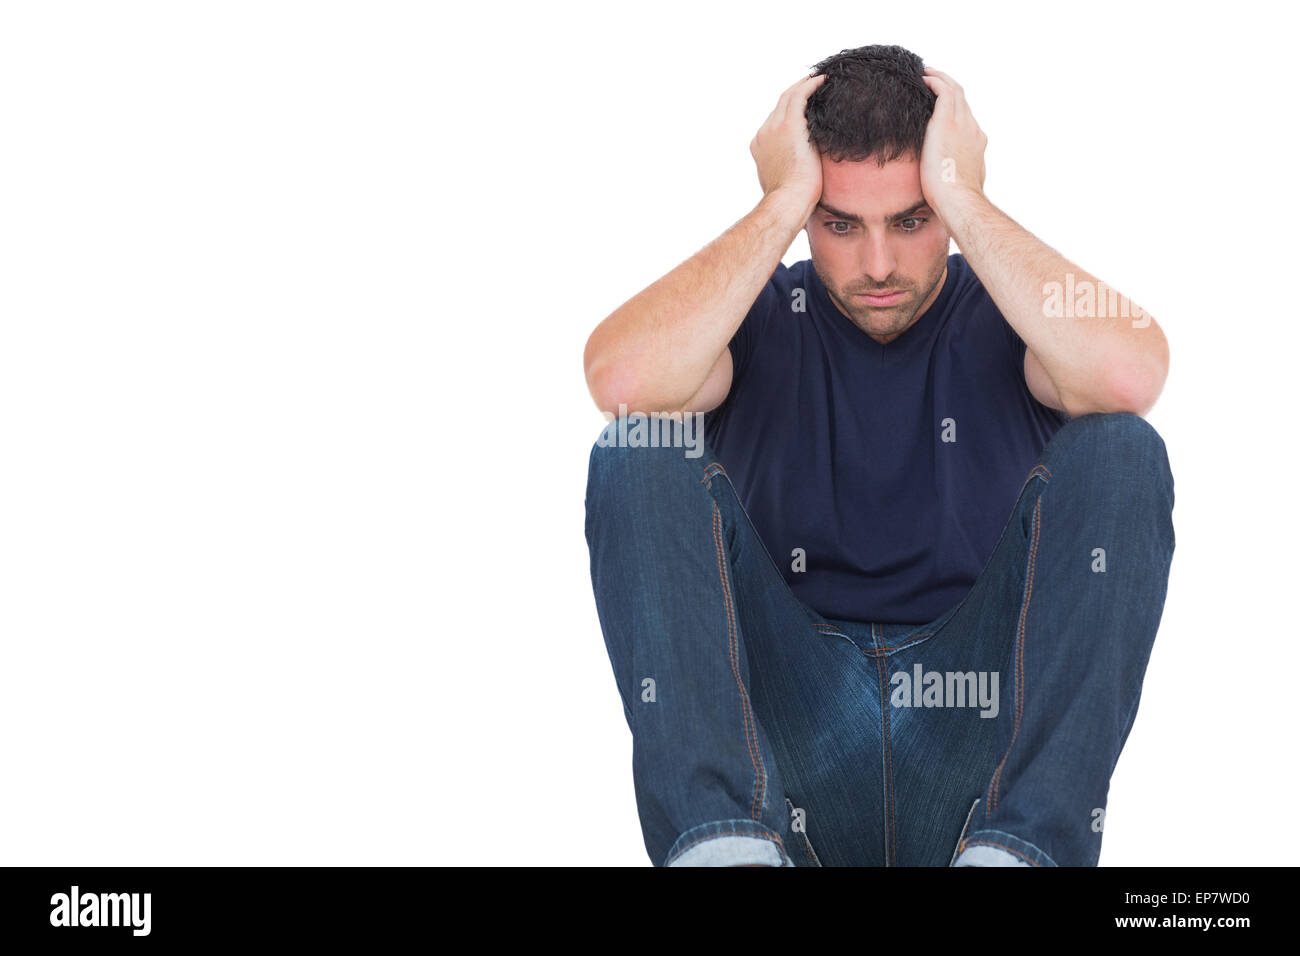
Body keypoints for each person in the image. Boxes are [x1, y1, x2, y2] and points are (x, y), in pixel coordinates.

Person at [581, 44, 1174, 867]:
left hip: (975, 748)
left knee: (1122, 447)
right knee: (635, 446)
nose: (879, 265)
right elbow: (620, 380)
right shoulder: (754, 319)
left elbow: (1130, 374)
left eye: (910, 219)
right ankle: (724, 849)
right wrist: (779, 202)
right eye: (839, 225)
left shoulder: (1019, 320)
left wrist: (963, 197)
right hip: (790, 749)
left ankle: (1022, 852)